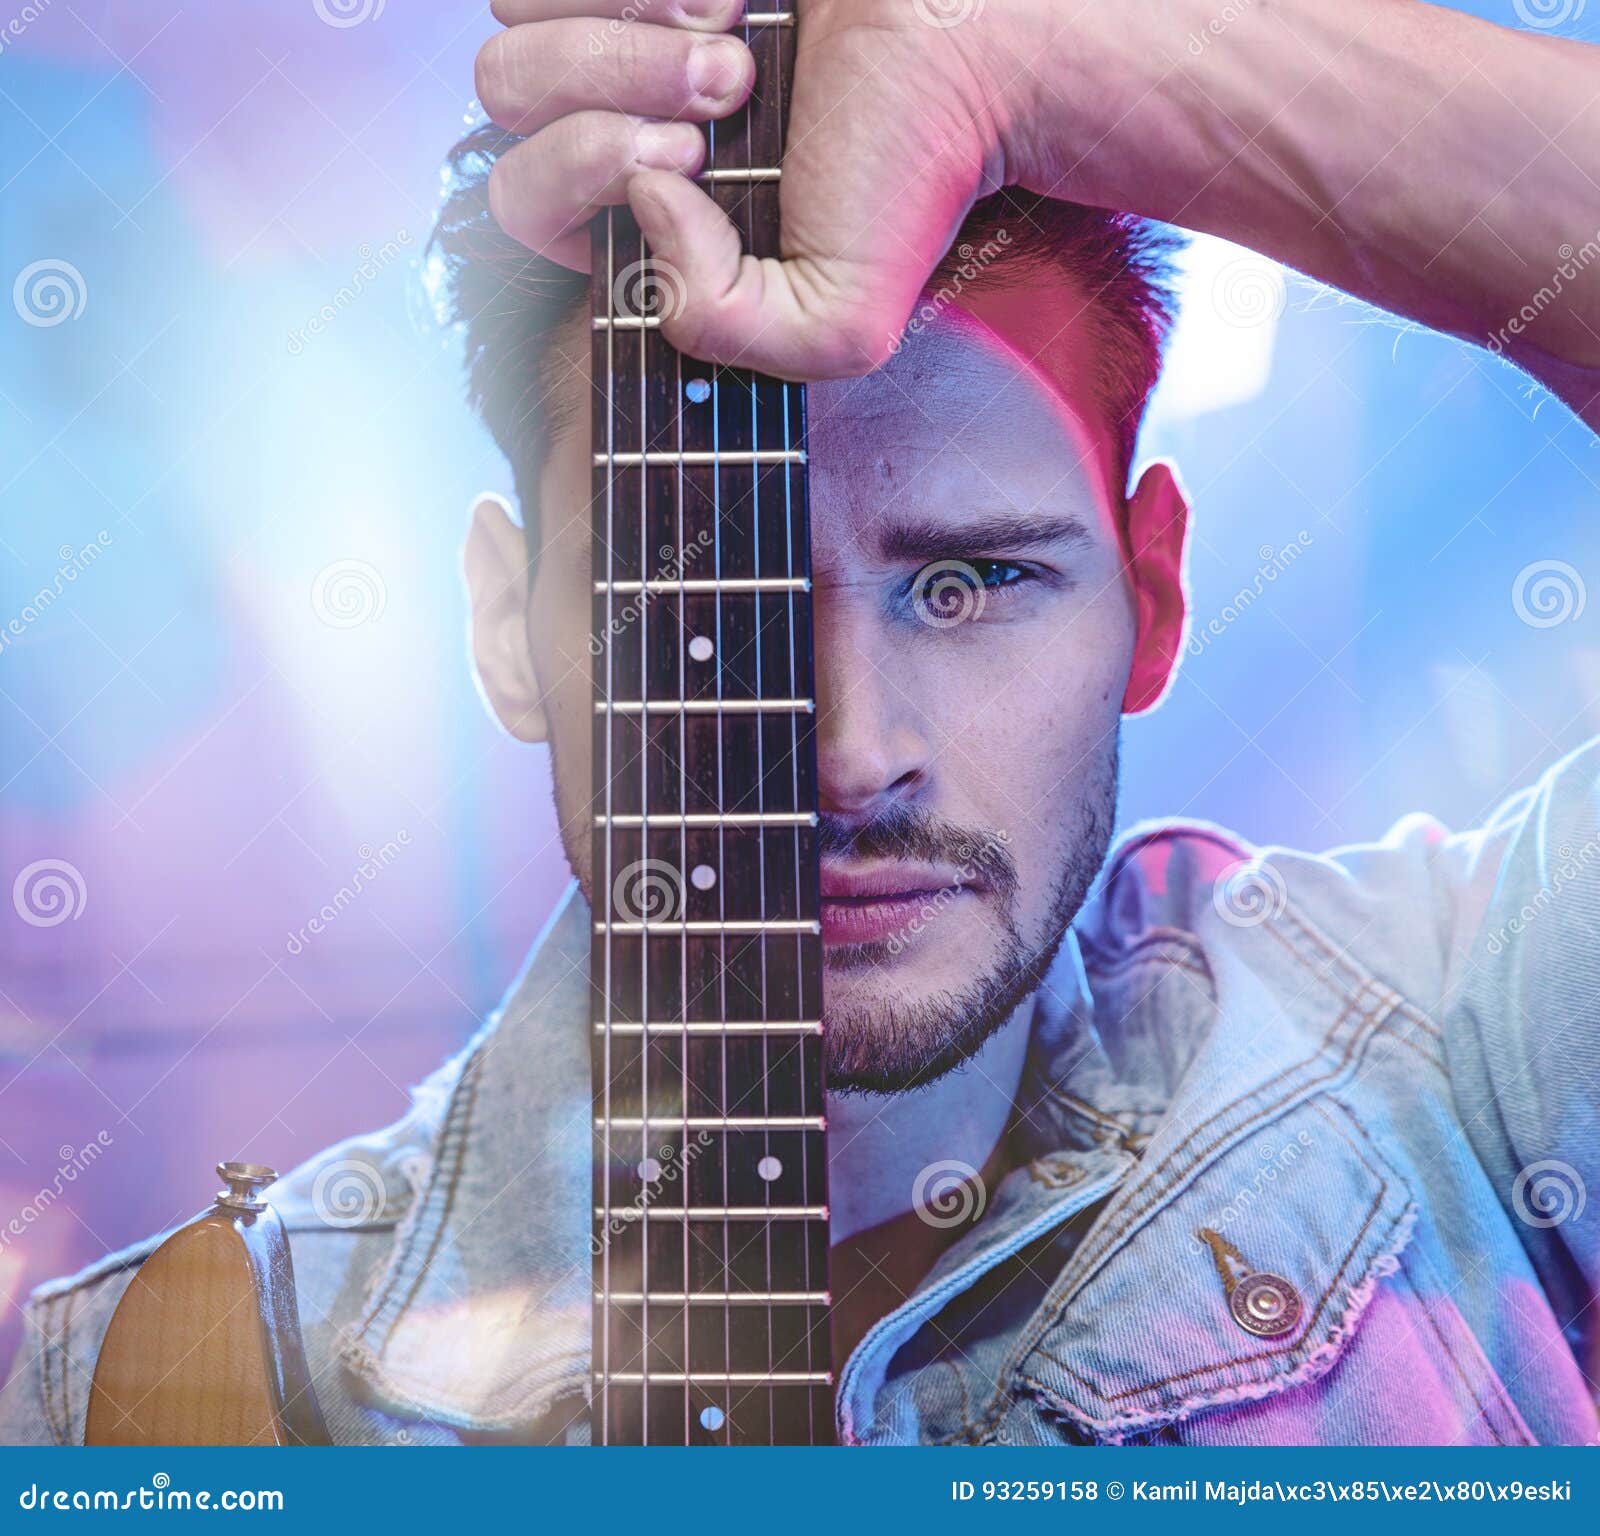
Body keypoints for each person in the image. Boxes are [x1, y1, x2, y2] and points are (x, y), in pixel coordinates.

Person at [2, 0, 1597, 1446]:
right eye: (699, 591)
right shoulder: (184, 1380)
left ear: (1154, 599)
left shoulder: (1471, 1050)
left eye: (967, 584)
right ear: (507, 627)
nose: (844, 754)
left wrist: (1034, 59)